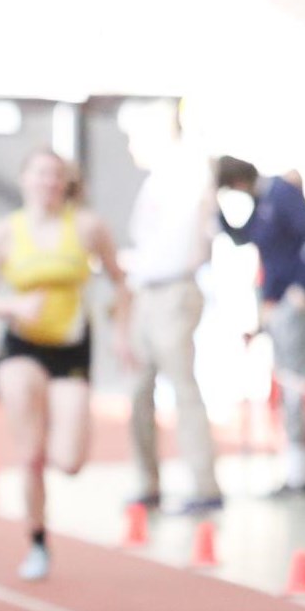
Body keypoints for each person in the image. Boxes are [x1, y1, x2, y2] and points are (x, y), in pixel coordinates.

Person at [0, 150, 132, 581]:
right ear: (24, 179)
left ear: (65, 183)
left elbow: (119, 281)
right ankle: (37, 540)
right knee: (31, 455)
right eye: (40, 174)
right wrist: (14, 304)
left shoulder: (87, 227)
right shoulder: (2, 234)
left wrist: (121, 332)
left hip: (71, 347)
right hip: (21, 346)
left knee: (69, 461)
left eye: (56, 176)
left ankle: (64, 430)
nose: (48, 182)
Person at [216, 156, 305, 495]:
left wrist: (303, 285)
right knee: (290, 380)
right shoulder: (262, 201)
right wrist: (217, 212)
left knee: (302, 381)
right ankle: (300, 469)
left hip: (302, 302)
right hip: (280, 305)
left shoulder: (281, 193)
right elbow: (245, 237)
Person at [123, 119, 222, 513]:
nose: (130, 143)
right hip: (146, 292)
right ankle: (147, 481)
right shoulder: (154, 181)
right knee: (138, 392)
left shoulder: (190, 172)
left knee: (183, 388)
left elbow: (202, 223)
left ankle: (204, 485)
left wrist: (194, 259)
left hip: (175, 290)